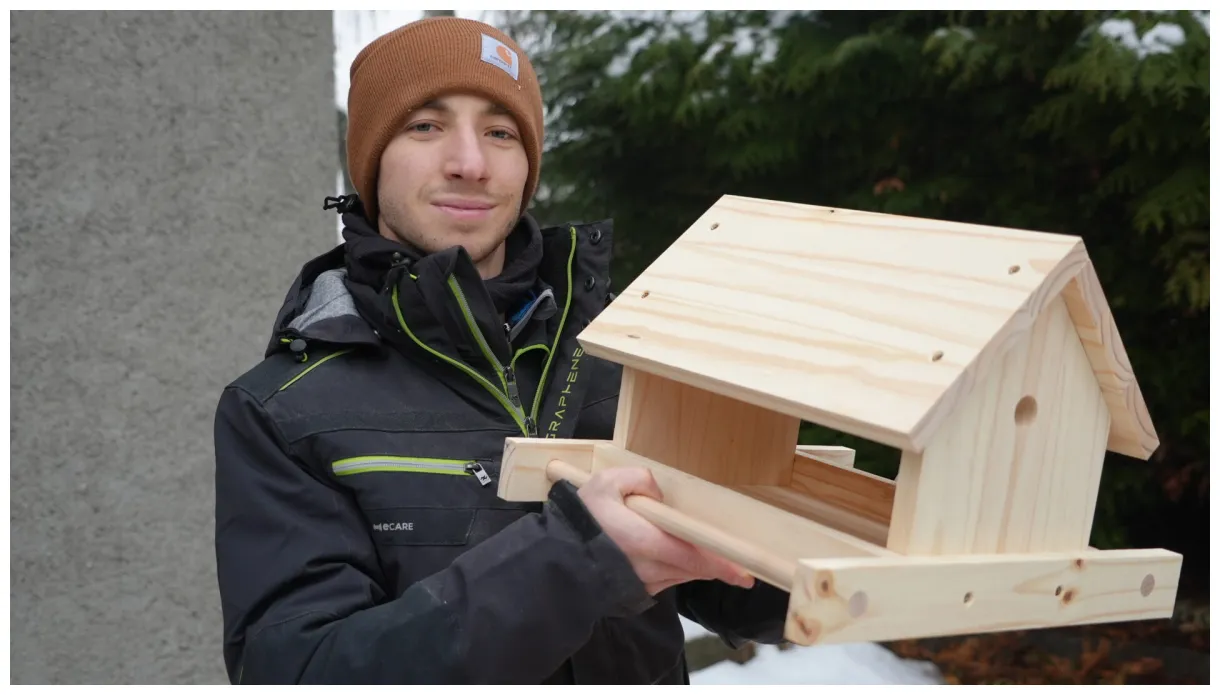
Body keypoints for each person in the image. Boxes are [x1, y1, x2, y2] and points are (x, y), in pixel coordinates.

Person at [213, 16, 790, 685]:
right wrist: (579, 560)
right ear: (369, 161)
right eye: (425, 126)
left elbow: (727, 584)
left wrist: (823, 550)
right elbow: (299, 669)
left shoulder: (616, 358)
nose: (470, 162)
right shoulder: (282, 411)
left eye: (500, 132)